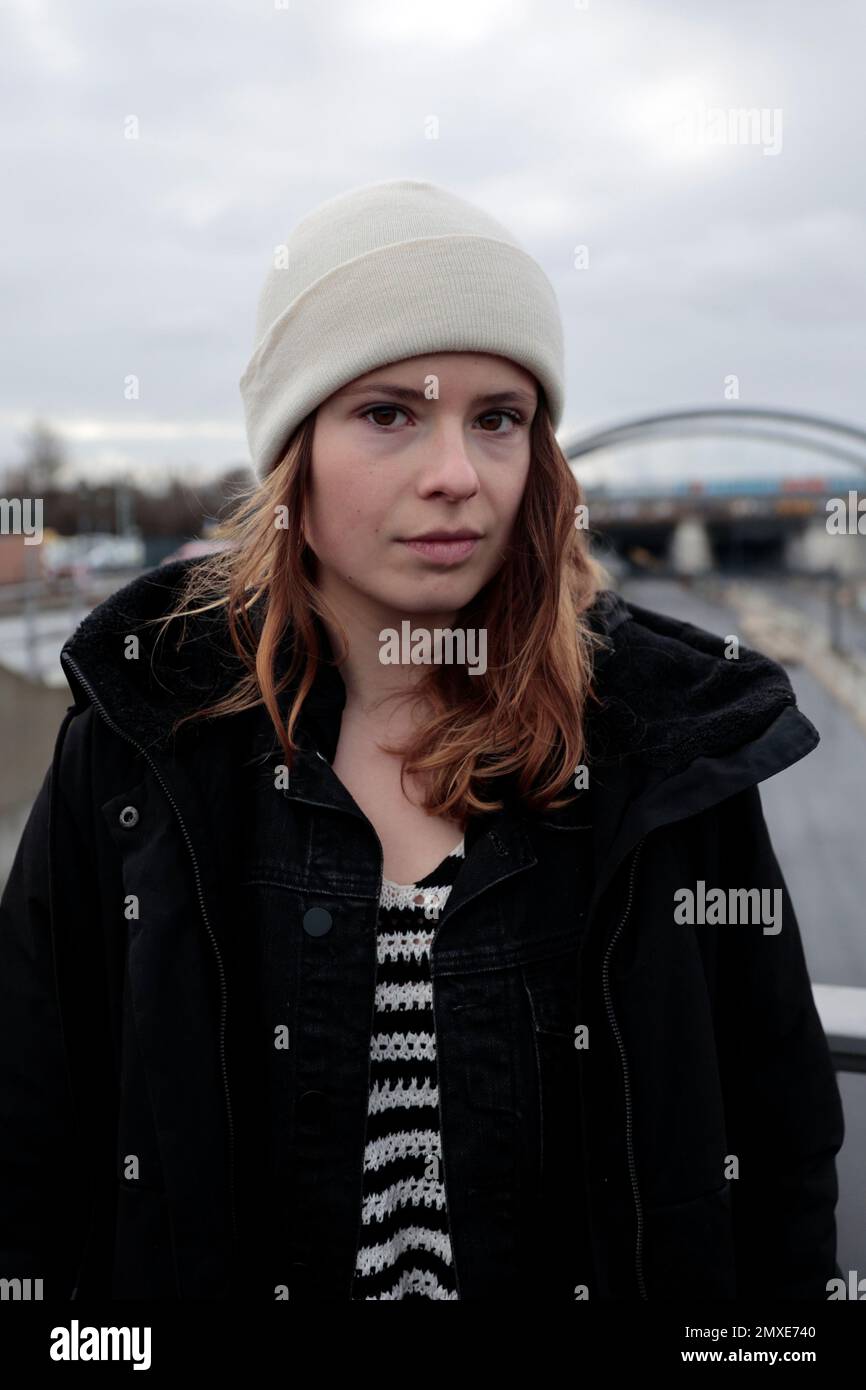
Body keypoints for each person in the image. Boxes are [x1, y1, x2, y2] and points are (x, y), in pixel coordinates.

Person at [0, 179, 845, 1302]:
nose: (457, 473)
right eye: (389, 412)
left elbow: (778, 1159)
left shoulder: (670, 750)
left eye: (497, 417)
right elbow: (33, 1153)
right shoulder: (138, 746)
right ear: (292, 449)